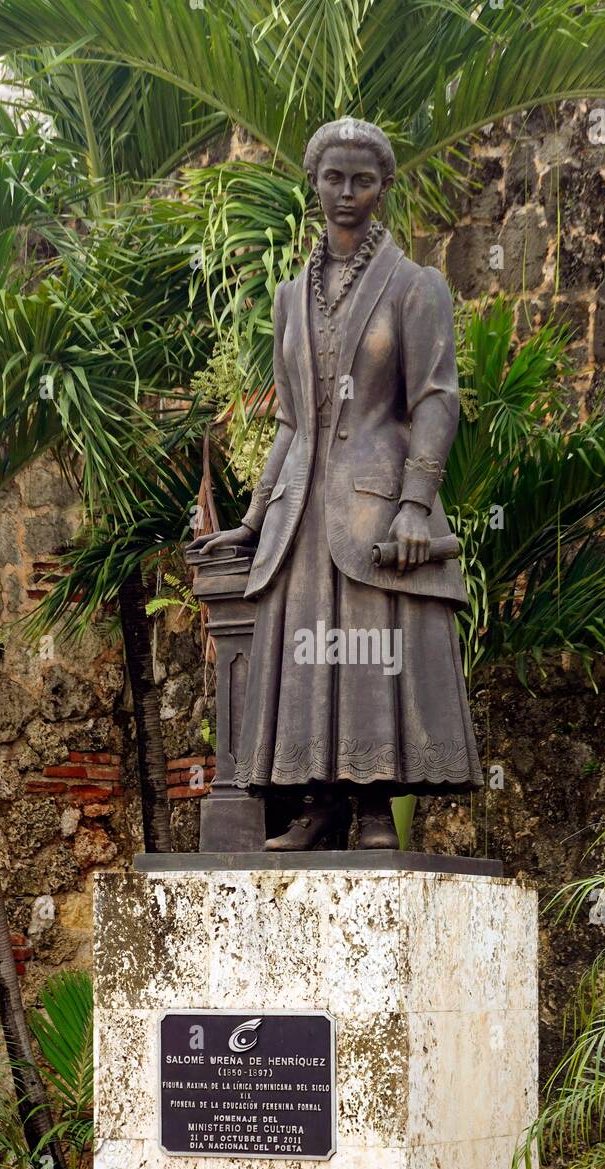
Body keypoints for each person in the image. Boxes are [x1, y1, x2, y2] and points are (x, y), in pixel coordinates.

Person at [190, 118, 482, 850]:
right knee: (309, 656)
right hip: (302, 513)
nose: (346, 192)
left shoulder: (416, 287)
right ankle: (320, 809)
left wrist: (416, 504)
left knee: (368, 655)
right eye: (333, 177)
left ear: (382, 189)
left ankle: (376, 808)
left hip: (377, 506)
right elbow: (290, 421)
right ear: (314, 183)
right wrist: (255, 519)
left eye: (362, 179)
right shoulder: (291, 299)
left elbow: (436, 399)